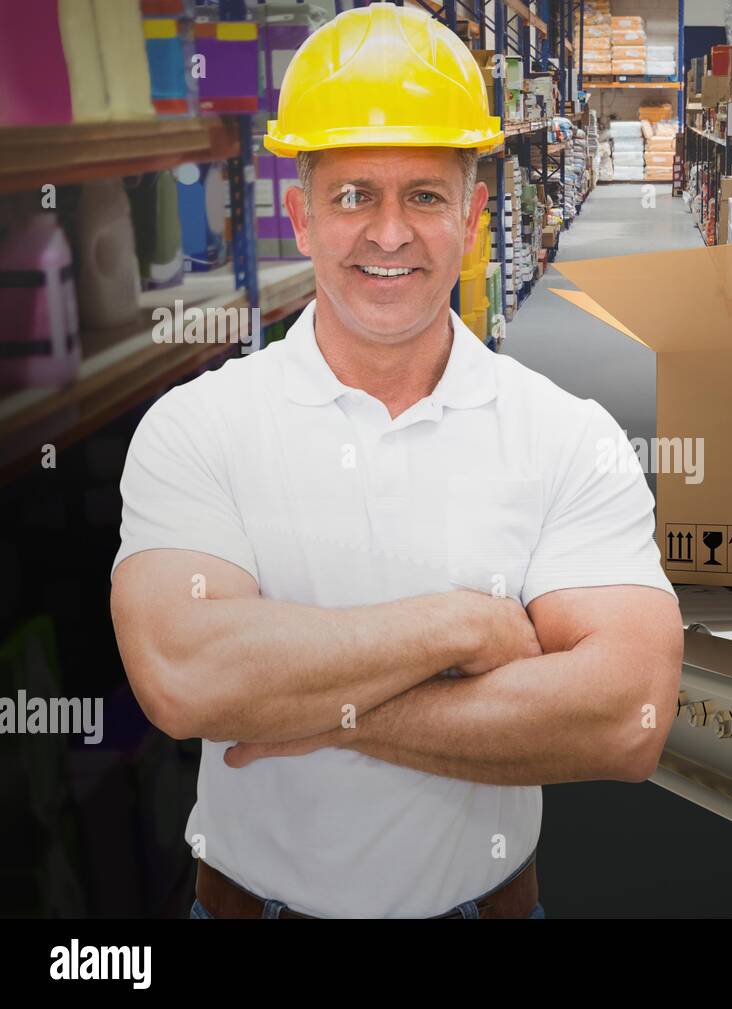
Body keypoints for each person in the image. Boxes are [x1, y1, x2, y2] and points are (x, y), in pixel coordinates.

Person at [109, 3, 682, 920]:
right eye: (352, 196)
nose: (388, 234)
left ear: (473, 211)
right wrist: (462, 628)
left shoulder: (565, 434)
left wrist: (311, 708)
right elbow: (183, 675)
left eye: (423, 194)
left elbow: (628, 714)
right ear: (299, 216)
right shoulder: (197, 428)